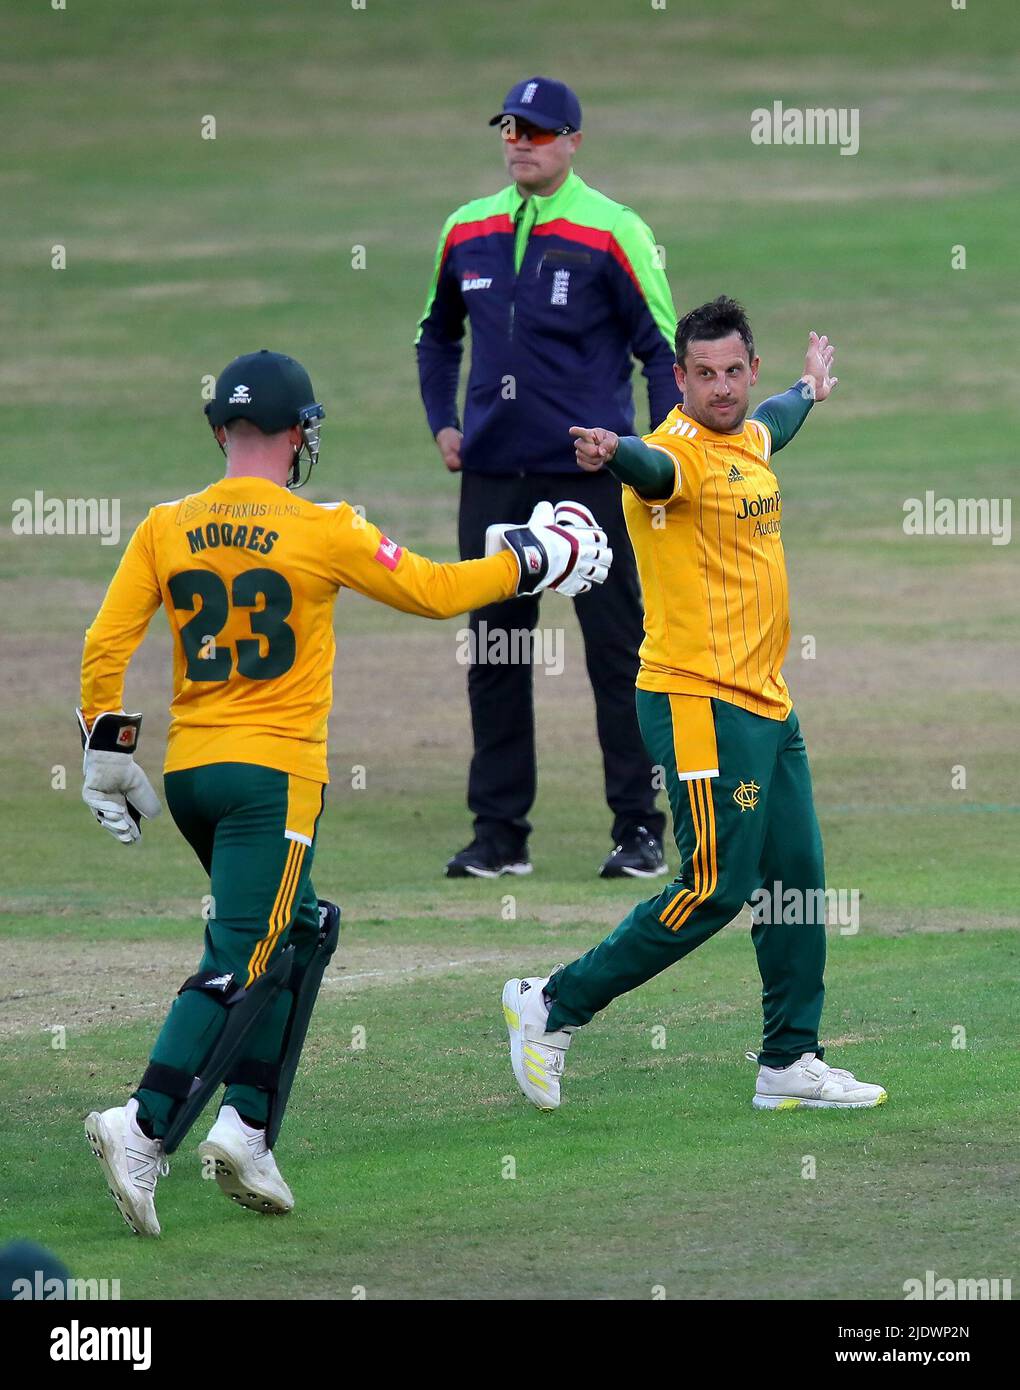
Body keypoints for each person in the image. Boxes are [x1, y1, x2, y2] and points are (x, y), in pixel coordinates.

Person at [78, 349, 611, 1236]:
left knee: (301, 930)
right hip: (274, 779)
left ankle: (247, 1128)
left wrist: (106, 755)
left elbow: (105, 643)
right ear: (297, 437)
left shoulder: (166, 525)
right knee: (245, 957)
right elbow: (436, 591)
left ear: (222, 433)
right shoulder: (323, 526)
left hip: (193, 776)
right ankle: (141, 1126)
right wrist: (535, 559)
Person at [501, 297, 889, 1112]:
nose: (719, 387)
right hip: (697, 702)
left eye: (732, 372)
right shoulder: (674, 456)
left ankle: (789, 1061)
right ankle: (549, 1006)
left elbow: (776, 420)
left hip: (766, 705)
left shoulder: (748, 436)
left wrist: (810, 386)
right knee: (715, 884)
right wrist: (614, 453)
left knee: (799, 881)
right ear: (677, 378)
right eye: (702, 374)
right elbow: (651, 466)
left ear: (749, 370)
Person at [416, 76, 679, 880]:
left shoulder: (615, 231)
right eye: (510, 130)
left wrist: (659, 458)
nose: (520, 143)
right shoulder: (467, 230)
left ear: (572, 140)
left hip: (591, 476)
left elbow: (662, 352)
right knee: (495, 652)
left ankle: (638, 827)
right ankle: (499, 834)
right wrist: (444, 422)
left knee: (617, 652)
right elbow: (436, 337)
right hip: (494, 475)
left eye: (536, 131)